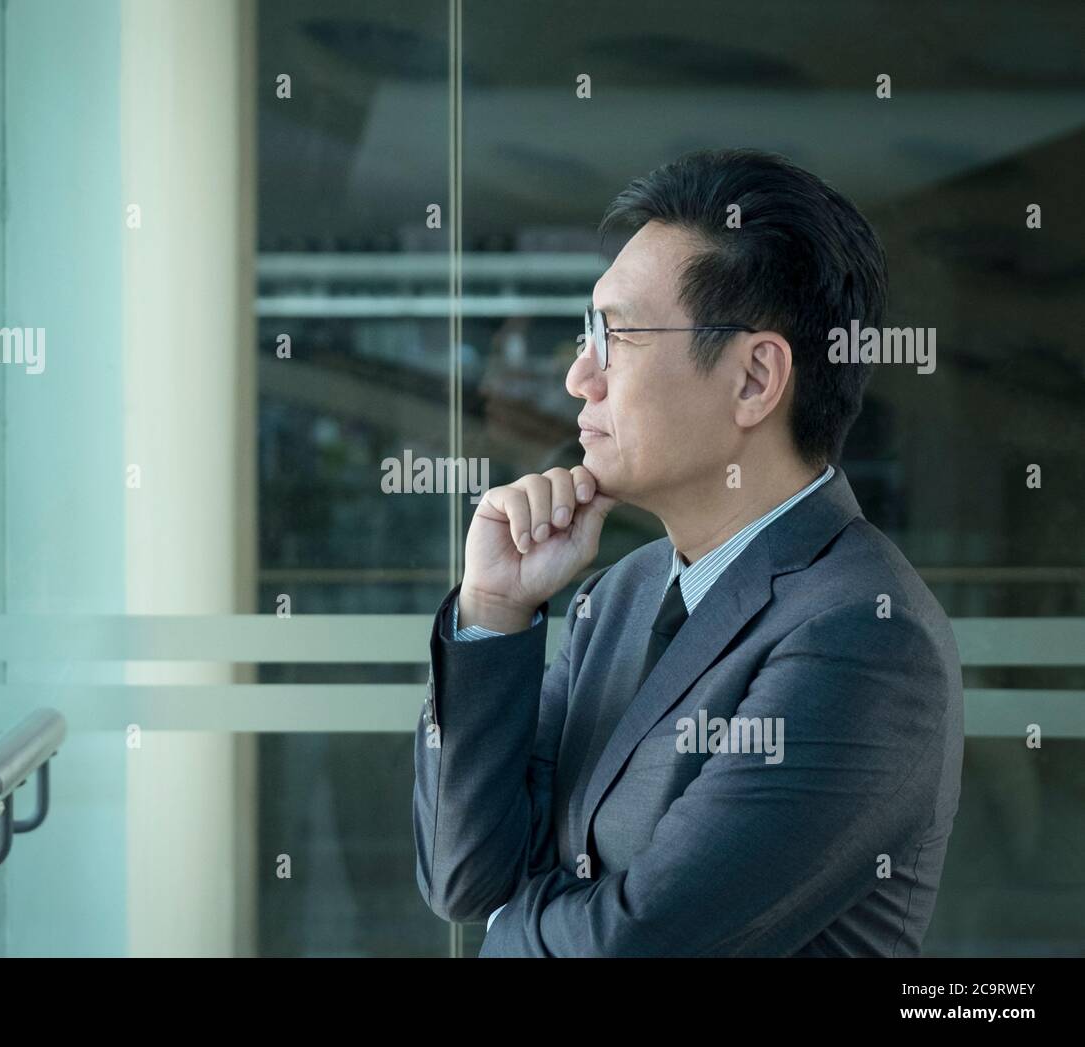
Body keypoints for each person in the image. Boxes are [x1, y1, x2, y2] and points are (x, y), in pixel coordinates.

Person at [412, 148, 964, 957]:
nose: (577, 376)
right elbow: (464, 878)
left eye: (617, 335)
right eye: (584, 333)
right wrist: (493, 613)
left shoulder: (865, 635)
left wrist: (511, 925)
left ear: (754, 379)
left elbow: (638, 946)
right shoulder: (621, 595)